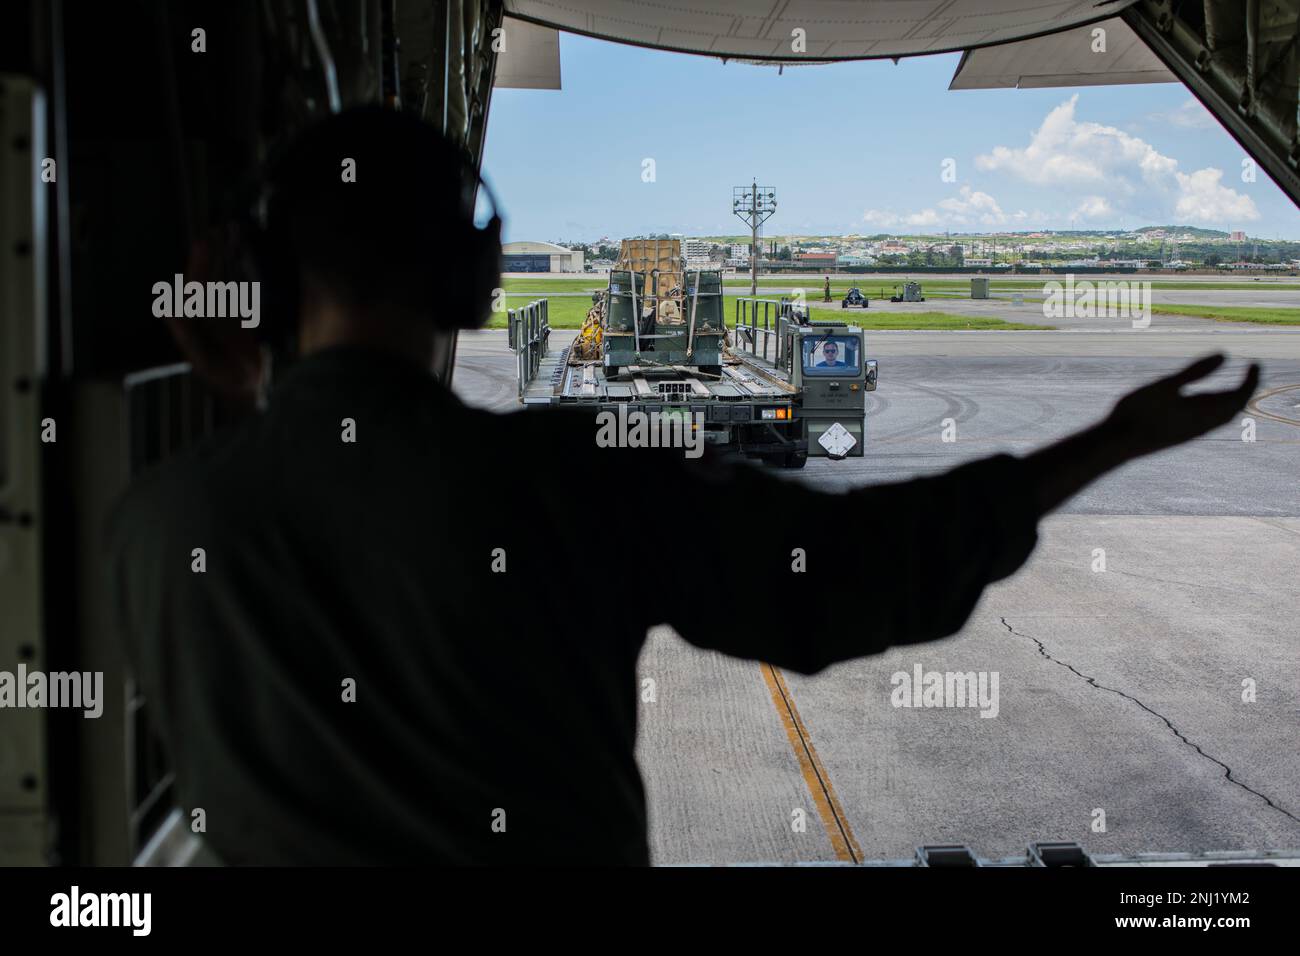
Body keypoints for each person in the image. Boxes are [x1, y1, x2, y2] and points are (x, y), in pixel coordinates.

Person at [107, 107, 1259, 866]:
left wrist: (251, 408)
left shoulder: (155, 525)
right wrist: (1103, 441)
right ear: (469, 283)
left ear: (258, 286)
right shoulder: (566, 477)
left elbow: (316, 515)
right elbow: (858, 572)